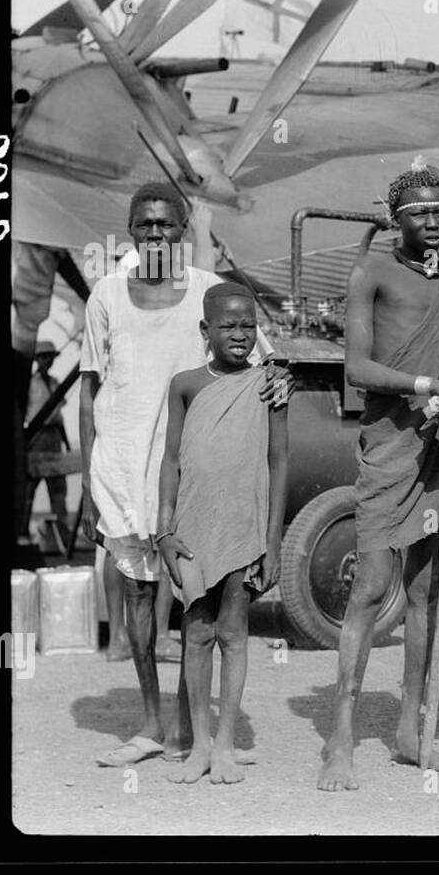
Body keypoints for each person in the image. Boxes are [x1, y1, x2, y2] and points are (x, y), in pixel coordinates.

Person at [82, 183, 290, 768]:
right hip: (124, 469)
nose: (155, 234)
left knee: (194, 602)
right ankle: (152, 723)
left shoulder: (209, 292)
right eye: (144, 224)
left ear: (182, 230)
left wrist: (281, 380)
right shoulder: (106, 295)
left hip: (190, 475)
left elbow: (264, 357)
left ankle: (189, 734)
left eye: (166, 225)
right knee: (141, 598)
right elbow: (88, 390)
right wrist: (86, 477)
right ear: (130, 230)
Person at [318, 166, 439, 791]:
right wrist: (432, 388)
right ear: (396, 217)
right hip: (391, 445)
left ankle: (410, 731)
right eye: (419, 210)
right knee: (371, 586)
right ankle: (339, 740)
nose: (432, 219)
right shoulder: (371, 274)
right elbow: (359, 369)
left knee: (428, 591)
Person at [156, 283, 289, 784]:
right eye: (228, 326)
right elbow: (170, 460)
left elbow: (280, 460)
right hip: (192, 525)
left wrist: (273, 541)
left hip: (244, 524)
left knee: (233, 631)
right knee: (197, 630)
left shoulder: (270, 384)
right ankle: (201, 745)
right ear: (204, 330)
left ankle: (228, 744)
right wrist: (163, 531)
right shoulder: (185, 384)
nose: (240, 335)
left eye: (248, 325)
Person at [23, 341, 70, 542]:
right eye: (44, 356)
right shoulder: (28, 384)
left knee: (58, 490)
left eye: (50, 356)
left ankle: (65, 539)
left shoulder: (55, 383)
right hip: (36, 438)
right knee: (29, 489)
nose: (47, 361)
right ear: (37, 359)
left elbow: (59, 418)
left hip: (54, 439)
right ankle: (22, 533)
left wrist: (66, 442)